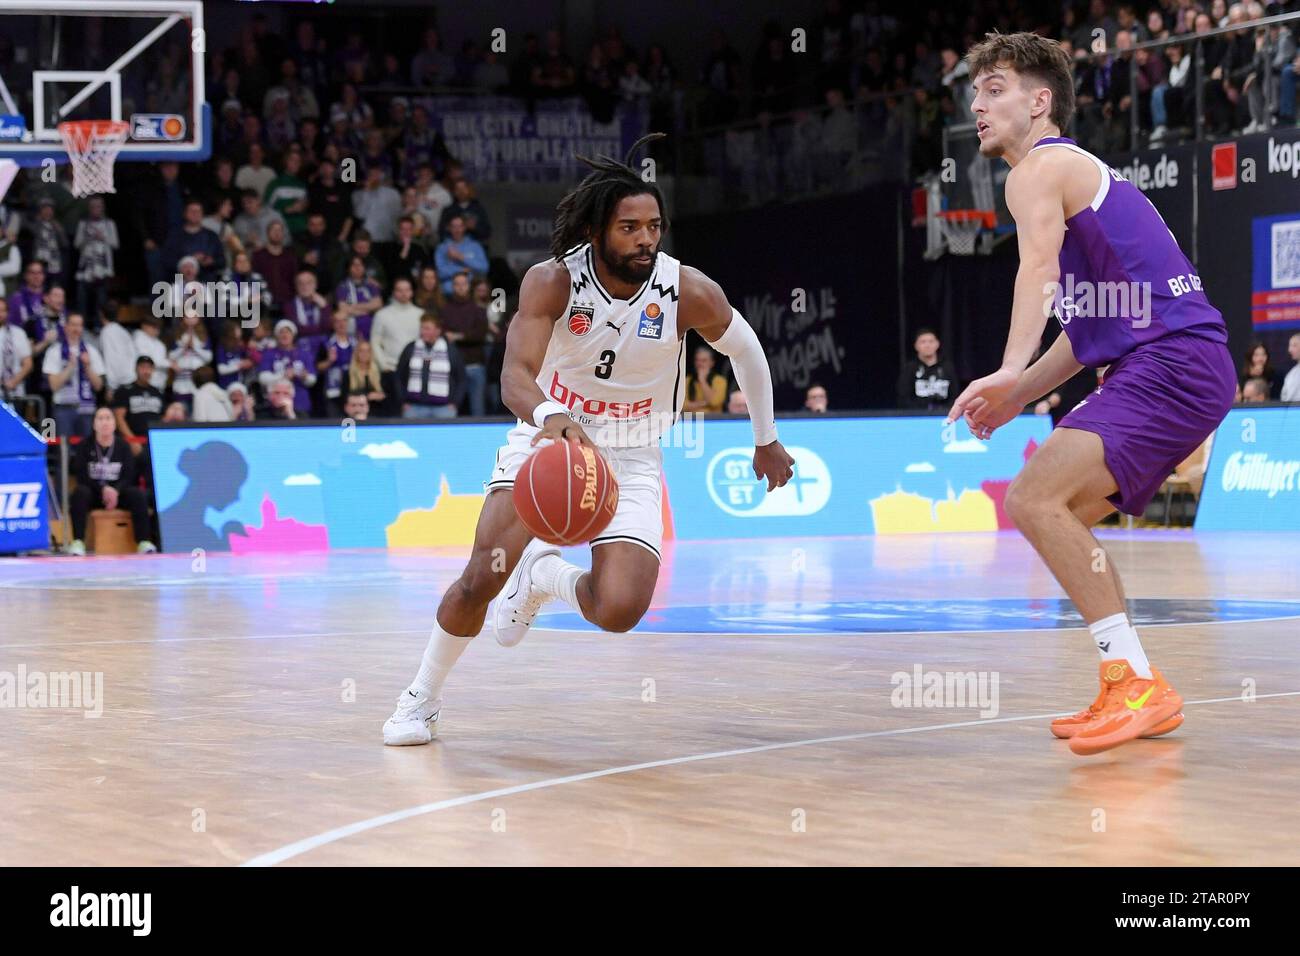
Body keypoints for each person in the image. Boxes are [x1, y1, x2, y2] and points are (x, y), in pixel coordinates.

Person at [383, 133, 794, 745]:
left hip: (631, 452)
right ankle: (421, 697)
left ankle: (544, 579)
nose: (646, 239)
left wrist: (766, 437)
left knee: (619, 609)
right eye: (630, 228)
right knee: (480, 577)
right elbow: (513, 377)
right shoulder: (552, 282)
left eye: (654, 226)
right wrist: (552, 417)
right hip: (550, 440)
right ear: (600, 229)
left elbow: (748, 350)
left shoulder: (686, 290)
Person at [950, 33, 1237, 756]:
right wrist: (1021, 394)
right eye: (975, 91)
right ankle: (1131, 681)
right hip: (1179, 363)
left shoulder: (1040, 169)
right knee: (1061, 512)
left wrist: (1009, 367)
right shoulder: (1078, 179)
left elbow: (1036, 269)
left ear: (1040, 102)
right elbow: (1086, 332)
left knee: (1032, 499)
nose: (977, 103)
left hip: (1169, 362)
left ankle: (1136, 682)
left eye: (995, 89)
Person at [67, 406, 155, 556]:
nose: (104, 422)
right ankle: (78, 541)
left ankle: (143, 541)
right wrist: (103, 490)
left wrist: (115, 490)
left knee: (137, 494)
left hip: (118, 493)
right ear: (94, 424)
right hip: (94, 493)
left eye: (108, 418)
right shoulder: (84, 446)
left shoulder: (123, 446)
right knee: (79, 493)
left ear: (114, 424)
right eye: (100, 419)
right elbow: (82, 476)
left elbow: (128, 475)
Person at [43, 311, 104, 440]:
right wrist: (70, 367)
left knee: (86, 451)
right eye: (73, 325)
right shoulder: (54, 351)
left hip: (86, 409)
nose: (76, 329)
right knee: (64, 451)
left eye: (79, 325)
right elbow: (53, 385)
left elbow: (98, 386)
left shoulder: (91, 351)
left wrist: (87, 367)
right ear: (66, 327)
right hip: (63, 409)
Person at [438, 271, 490, 416]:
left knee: (477, 410)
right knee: (451, 411)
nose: (461, 287)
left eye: (464, 284)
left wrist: (457, 335)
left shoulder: (479, 310)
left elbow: (480, 335)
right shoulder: (445, 310)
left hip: (475, 366)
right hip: (451, 368)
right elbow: (442, 334)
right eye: (457, 284)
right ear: (452, 287)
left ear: (469, 286)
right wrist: (466, 334)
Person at [396, 312, 464, 419]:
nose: (423, 332)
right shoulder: (411, 348)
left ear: (438, 331)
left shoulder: (450, 351)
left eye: (427, 328)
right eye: (422, 328)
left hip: (444, 408)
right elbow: (399, 376)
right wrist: (403, 401)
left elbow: (461, 379)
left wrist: (455, 403)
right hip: (414, 407)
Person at [370, 276, 424, 402]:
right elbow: (375, 342)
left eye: (407, 290)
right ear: (394, 292)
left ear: (412, 292)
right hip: (390, 370)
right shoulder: (382, 315)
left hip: (416, 370)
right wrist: (383, 365)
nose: (404, 293)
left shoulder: (421, 314)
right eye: (399, 290)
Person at [897, 328, 955, 410]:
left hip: (944, 414)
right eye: (923, 342)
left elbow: (955, 395)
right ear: (916, 346)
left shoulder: (947, 367)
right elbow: (903, 397)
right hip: (916, 415)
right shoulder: (909, 368)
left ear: (937, 344)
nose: (927, 345)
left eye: (931, 341)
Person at [111, 356, 165, 443]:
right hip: (132, 441)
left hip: (155, 440)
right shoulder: (125, 390)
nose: (146, 371)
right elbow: (119, 418)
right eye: (143, 367)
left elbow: (164, 418)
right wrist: (132, 440)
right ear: (136, 369)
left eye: (149, 367)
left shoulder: (158, 393)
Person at [317, 307, 356, 418]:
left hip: (352, 391)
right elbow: (318, 367)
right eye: (337, 321)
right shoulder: (326, 343)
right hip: (333, 392)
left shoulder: (356, 342)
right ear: (333, 324)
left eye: (344, 320)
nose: (341, 324)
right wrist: (329, 361)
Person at [0, 297, 32, 404]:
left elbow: (28, 363)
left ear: (7, 313)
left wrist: (13, 382)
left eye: (2, 310)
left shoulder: (18, 333)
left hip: (15, 392)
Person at [682, 345, 727, 412]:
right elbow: (682, 406)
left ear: (712, 363)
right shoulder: (687, 380)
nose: (699, 364)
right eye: (697, 360)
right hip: (690, 420)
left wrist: (702, 380)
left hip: (713, 420)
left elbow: (714, 402)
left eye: (704, 360)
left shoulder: (720, 381)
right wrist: (704, 403)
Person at [348, 338, 386, 412]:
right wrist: (368, 396)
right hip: (356, 412)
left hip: (377, 413)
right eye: (361, 351)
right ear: (356, 353)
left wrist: (381, 396)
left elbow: (385, 395)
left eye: (367, 351)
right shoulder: (349, 374)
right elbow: (346, 396)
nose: (364, 354)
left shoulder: (379, 373)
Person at [1281, 333, 1300, 403]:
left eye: (1294, 345)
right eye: (1290, 346)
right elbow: (1284, 398)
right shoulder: (1291, 374)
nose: (1290, 350)